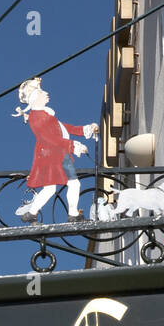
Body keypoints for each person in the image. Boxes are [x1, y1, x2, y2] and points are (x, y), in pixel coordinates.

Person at [14, 78, 98, 222]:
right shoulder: (37, 117)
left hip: (54, 155)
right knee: (71, 183)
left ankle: (32, 213)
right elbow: (48, 139)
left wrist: (87, 129)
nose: (46, 94)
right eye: (42, 92)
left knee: (51, 188)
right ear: (35, 98)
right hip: (53, 156)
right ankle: (72, 214)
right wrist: (73, 145)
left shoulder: (45, 115)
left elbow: (66, 128)